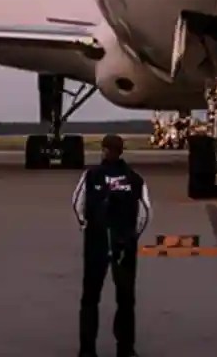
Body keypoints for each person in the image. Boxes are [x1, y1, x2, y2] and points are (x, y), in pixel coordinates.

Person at [73, 134, 152, 357]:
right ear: (121, 150)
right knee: (125, 298)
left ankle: (87, 349)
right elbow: (145, 211)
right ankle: (125, 349)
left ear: (104, 149)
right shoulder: (134, 178)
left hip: (96, 242)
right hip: (124, 244)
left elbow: (77, 204)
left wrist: (87, 226)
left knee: (90, 297)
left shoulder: (91, 175)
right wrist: (132, 235)